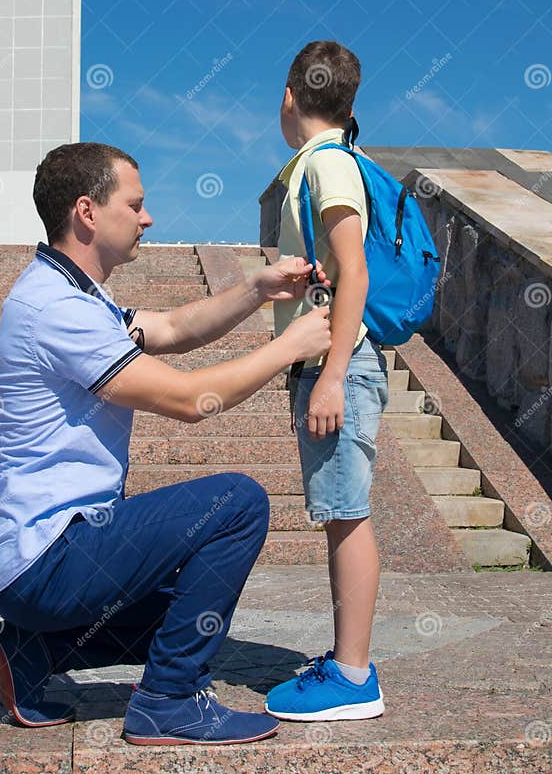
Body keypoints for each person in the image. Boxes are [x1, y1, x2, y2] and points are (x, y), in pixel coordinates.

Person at [0, 142, 331, 745]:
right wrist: (288, 348)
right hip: (48, 556)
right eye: (135, 205)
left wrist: (258, 288)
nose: (147, 219)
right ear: (88, 212)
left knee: (193, 611)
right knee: (238, 503)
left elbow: (168, 328)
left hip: (35, 562)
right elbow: (191, 401)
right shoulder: (57, 308)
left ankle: (32, 653)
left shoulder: (76, 296)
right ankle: (167, 700)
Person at [265, 41, 389, 722]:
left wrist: (332, 376)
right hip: (330, 358)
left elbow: (356, 271)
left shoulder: (329, 164)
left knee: (346, 515)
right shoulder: (334, 161)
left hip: (340, 362)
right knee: (341, 512)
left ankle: (352, 676)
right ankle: (347, 665)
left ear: (291, 96)